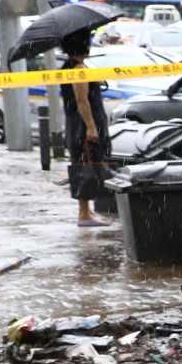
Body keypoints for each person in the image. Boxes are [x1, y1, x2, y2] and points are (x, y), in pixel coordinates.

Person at [61, 32, 113, 228]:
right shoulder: (78, 68)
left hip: (76, 123)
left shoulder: (68, 67)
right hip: (83, 125)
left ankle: (86, 210)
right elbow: (82, 101)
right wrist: (91, 127)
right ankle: (84, 214)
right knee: (86, 166)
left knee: (84, 165)